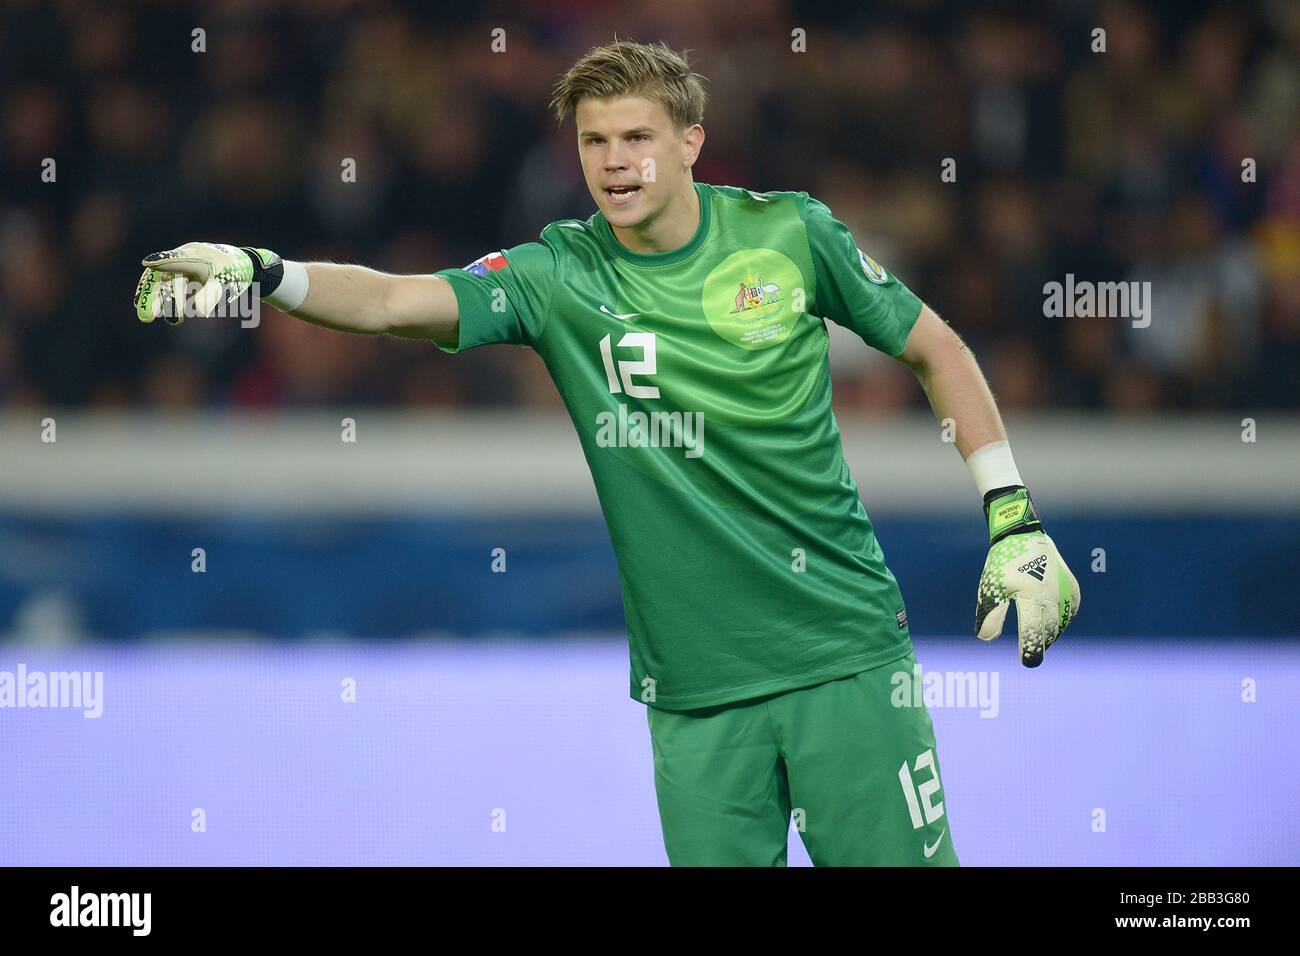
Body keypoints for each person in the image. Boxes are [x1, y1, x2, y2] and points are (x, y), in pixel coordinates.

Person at [133, 39, 1080, 866]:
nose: (614, 162)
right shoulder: (559, 275)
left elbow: (934, 347)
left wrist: (1012, 513)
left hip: (844, 659)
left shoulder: (790, 231)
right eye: (594, 142)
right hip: (694, 695)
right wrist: (267, 274)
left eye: (636, 138)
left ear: (690, 144)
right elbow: (390, 301)